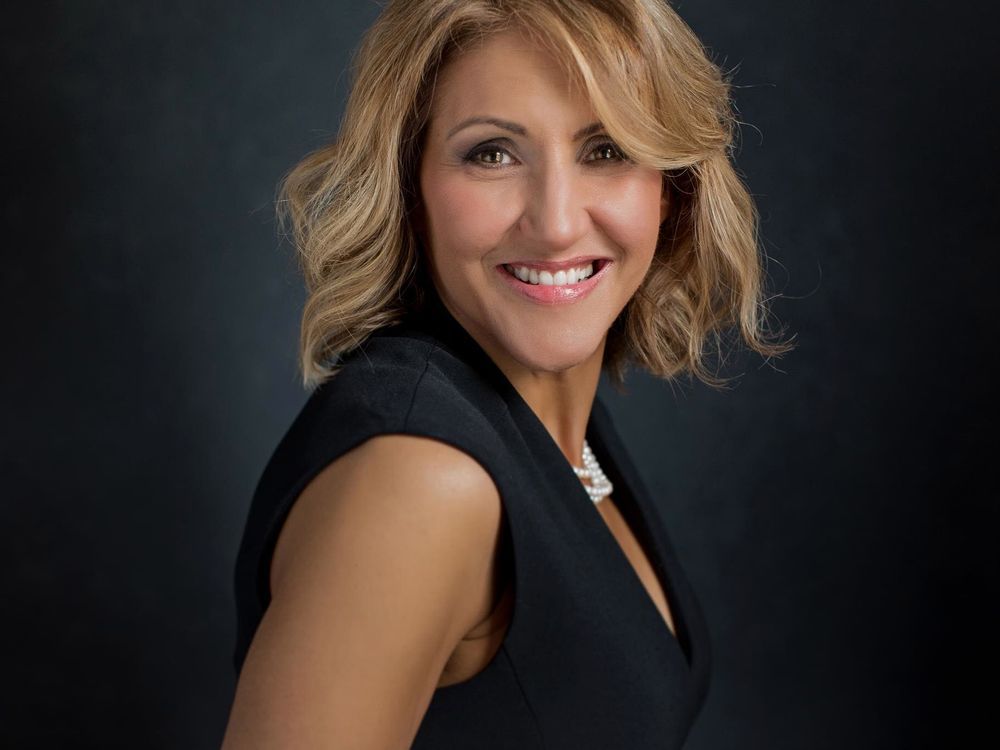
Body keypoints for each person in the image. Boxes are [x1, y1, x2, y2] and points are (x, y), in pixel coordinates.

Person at [222, 0, 790, 747]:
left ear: (672, 188)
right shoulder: (419, 478)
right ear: (410, 187)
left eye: (607, 149)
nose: (556, 224)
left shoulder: (551, 420)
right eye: (492, 153)